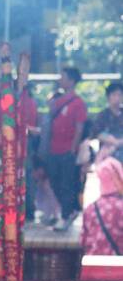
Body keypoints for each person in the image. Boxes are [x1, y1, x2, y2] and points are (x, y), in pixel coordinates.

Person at [43, 66, 89, 229]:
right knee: (54, 181)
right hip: (53, 149)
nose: (59, 79)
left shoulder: (78, 103)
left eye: (62, 77)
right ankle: (67, 212)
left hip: (67, 151)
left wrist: (72, 148)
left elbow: (79, 127)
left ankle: (66, 214)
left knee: (67, 184)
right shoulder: (58, 101)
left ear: (71, 80)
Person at [82, 135, 123, 256]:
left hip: (93, 266)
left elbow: (83, 240)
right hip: (118, 268)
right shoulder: (121, 207)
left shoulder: (91, 209)